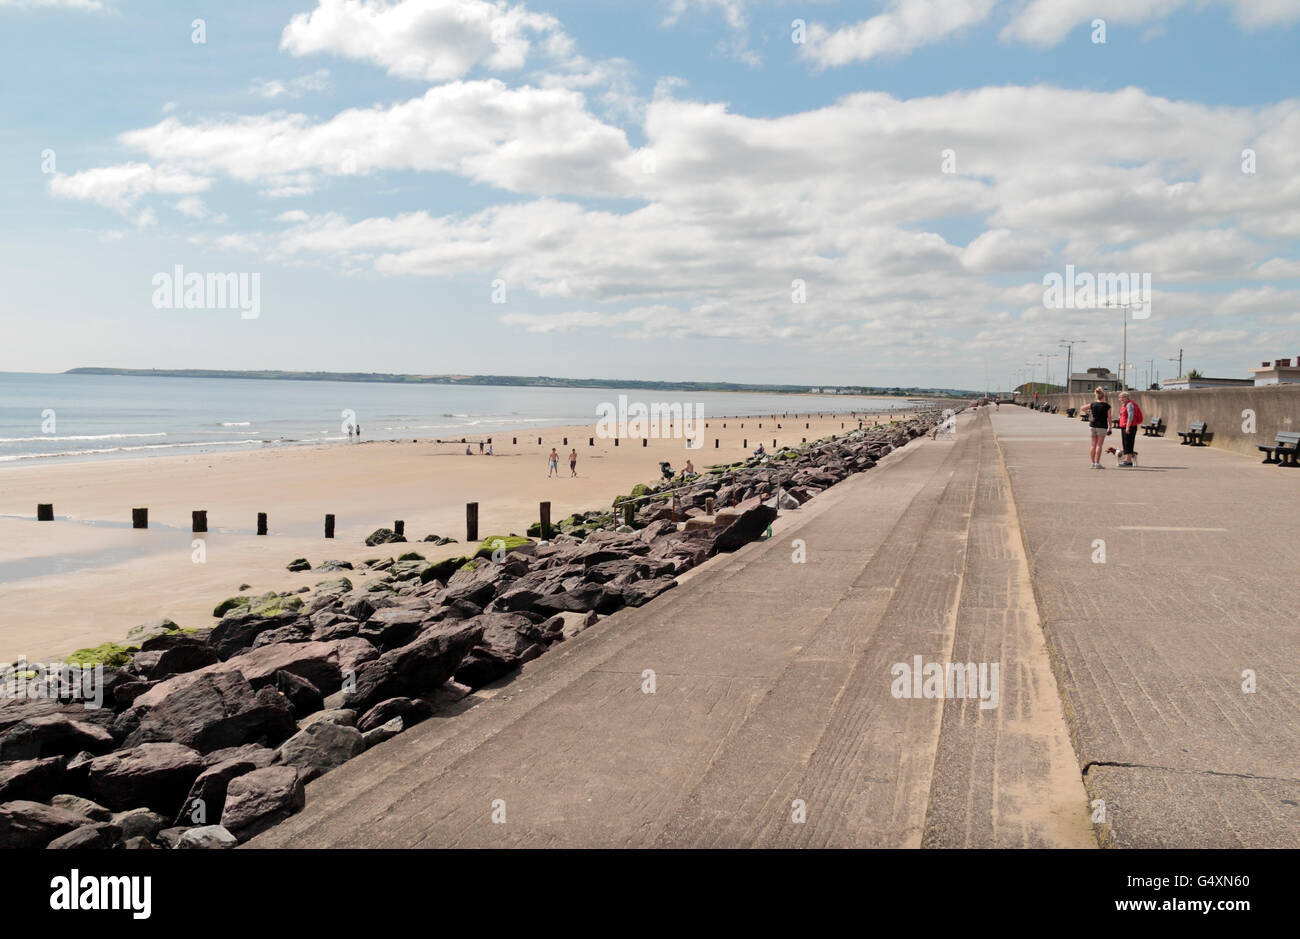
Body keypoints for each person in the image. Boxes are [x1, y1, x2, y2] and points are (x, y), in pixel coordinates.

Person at [1086, 387, 1111, 469]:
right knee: (1099, 445)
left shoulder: (1093, 404)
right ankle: (1097, 463)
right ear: (1104, 396)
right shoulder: (1107, 406)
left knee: (1093, 445)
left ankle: (1092, 463)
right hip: (1102, 426)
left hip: (1093, 425)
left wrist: (1090, 414)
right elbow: (1109, 418)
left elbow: (1082, 408)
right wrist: (1110, 427)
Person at [1116, 392, 1140, 467]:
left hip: (1130, 427)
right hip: (1124, 426)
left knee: (1128, 443)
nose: (1120, 399)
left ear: (1127, 397)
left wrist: (1127, 427)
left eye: (1122, 397)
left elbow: (1131, 416)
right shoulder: (1124, 405)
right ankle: (1127, 459)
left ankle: (1128, 461)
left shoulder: (1129, 405)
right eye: (1120, 398)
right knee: (1125, 443)